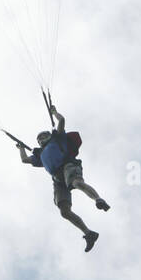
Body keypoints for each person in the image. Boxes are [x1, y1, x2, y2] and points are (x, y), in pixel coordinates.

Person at [15, 105, 110, 252]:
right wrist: (21, 148)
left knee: (77, 183)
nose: (41, 139)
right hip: (57, 179)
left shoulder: (57, 138)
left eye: (43, 136)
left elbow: (62, 121)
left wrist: (54, 113)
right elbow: (25, 160)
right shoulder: (39, 155)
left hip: (68, 166)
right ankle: (89, 234)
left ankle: (98, 199)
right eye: (39, 139)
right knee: (64, 211)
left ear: (49, 135)